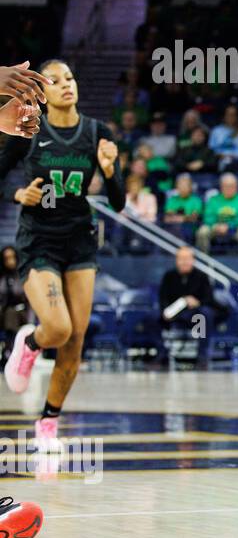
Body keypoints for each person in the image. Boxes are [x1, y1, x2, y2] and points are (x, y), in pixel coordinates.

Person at [1, 59, 123, 451]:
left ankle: (48, 422)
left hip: (79, 240)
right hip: (39, 239)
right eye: (54, 80)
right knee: (58, 328)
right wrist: (18, 194)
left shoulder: (97, 132)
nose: (65, 84)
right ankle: (30, 343)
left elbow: (118, 202)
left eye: (69, 77)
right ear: (42, 92)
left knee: (76, 338)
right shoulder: (29, 127)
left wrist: (110, 171)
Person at [196, 173, 238, 257]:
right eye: (226, 186)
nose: (229, 188)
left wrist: (229, 225)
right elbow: (208, 216)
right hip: (216, 227)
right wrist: (216, 225)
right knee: (202, 231)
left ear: (236, 187)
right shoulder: (214, 200)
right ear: (221, 187)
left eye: (232, 186)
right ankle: (203, 258)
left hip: (236, 228)